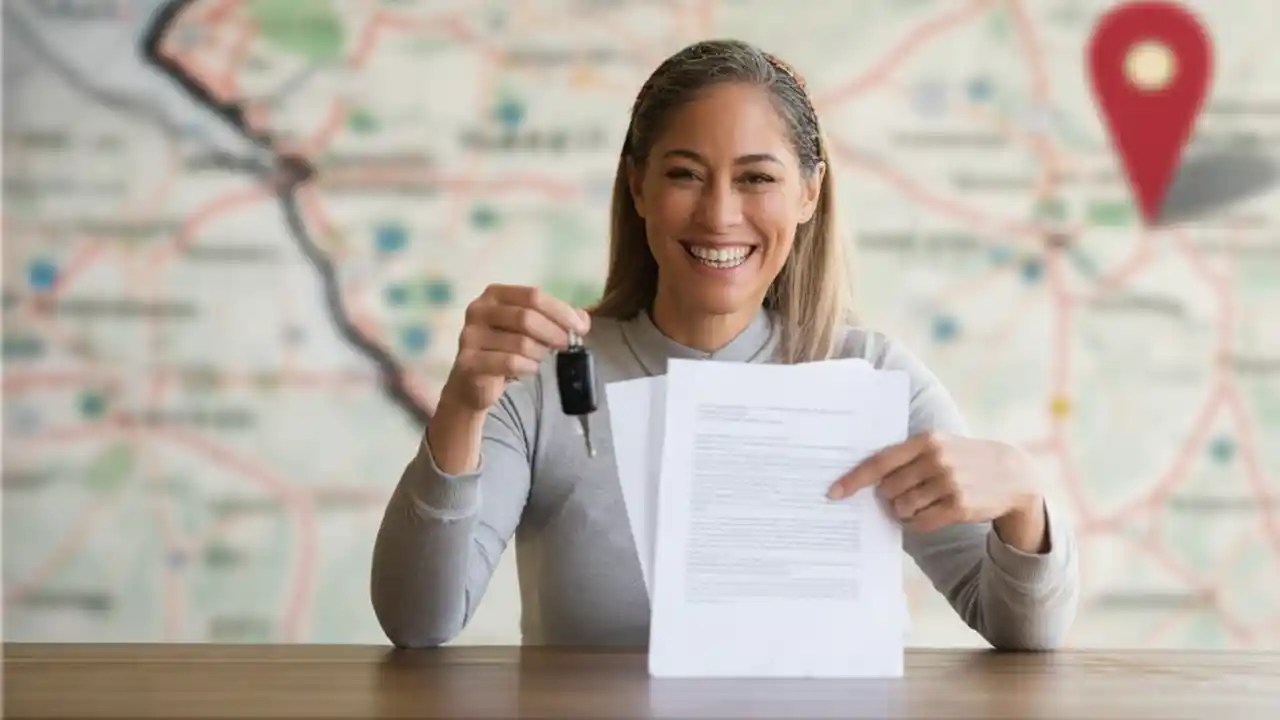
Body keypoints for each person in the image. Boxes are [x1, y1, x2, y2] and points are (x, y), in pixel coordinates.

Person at [371, 39, 1079, 649]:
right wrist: (462, 407)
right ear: (637, 186)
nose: (719, 214)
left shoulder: (875, 378)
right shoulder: (542, 381)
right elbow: (418, 622)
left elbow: (1022, 631)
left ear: (808, 194)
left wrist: (1023, 500)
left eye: (756, 179)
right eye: (683, 174)